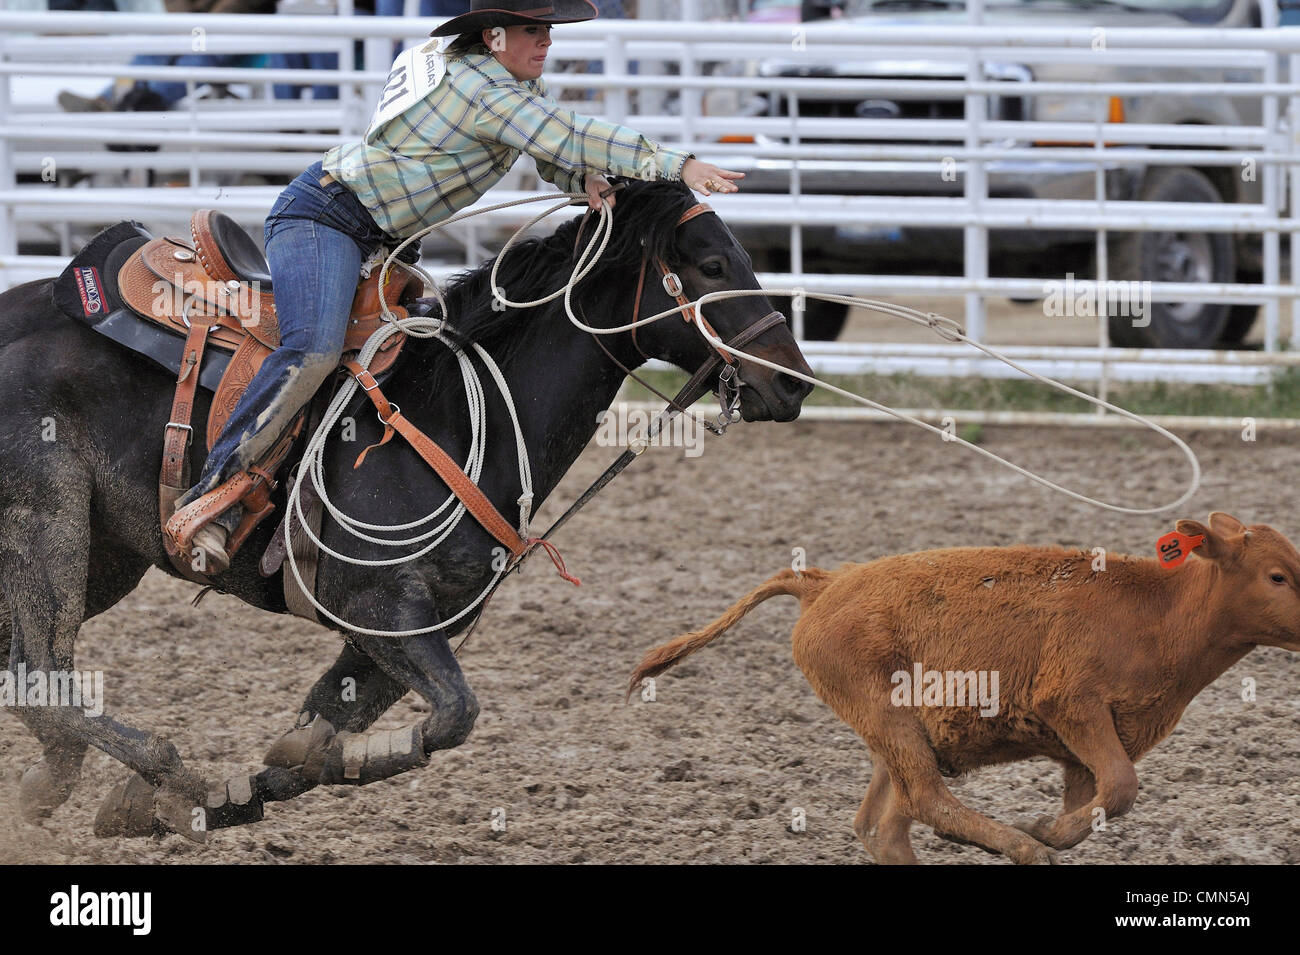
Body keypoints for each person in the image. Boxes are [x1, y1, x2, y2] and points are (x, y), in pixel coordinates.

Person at [173, 0, 744, 571]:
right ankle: (214, 493)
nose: (546, 42)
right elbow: (562, 132)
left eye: (547, 31)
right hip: (327, 221)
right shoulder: (484, 91)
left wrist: (582, 176)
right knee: (313, 349)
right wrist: (676, 165)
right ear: (494, 38)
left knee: (413, 357)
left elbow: (551, 146)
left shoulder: (500, 84)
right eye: (532, 31)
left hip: (378, 236)